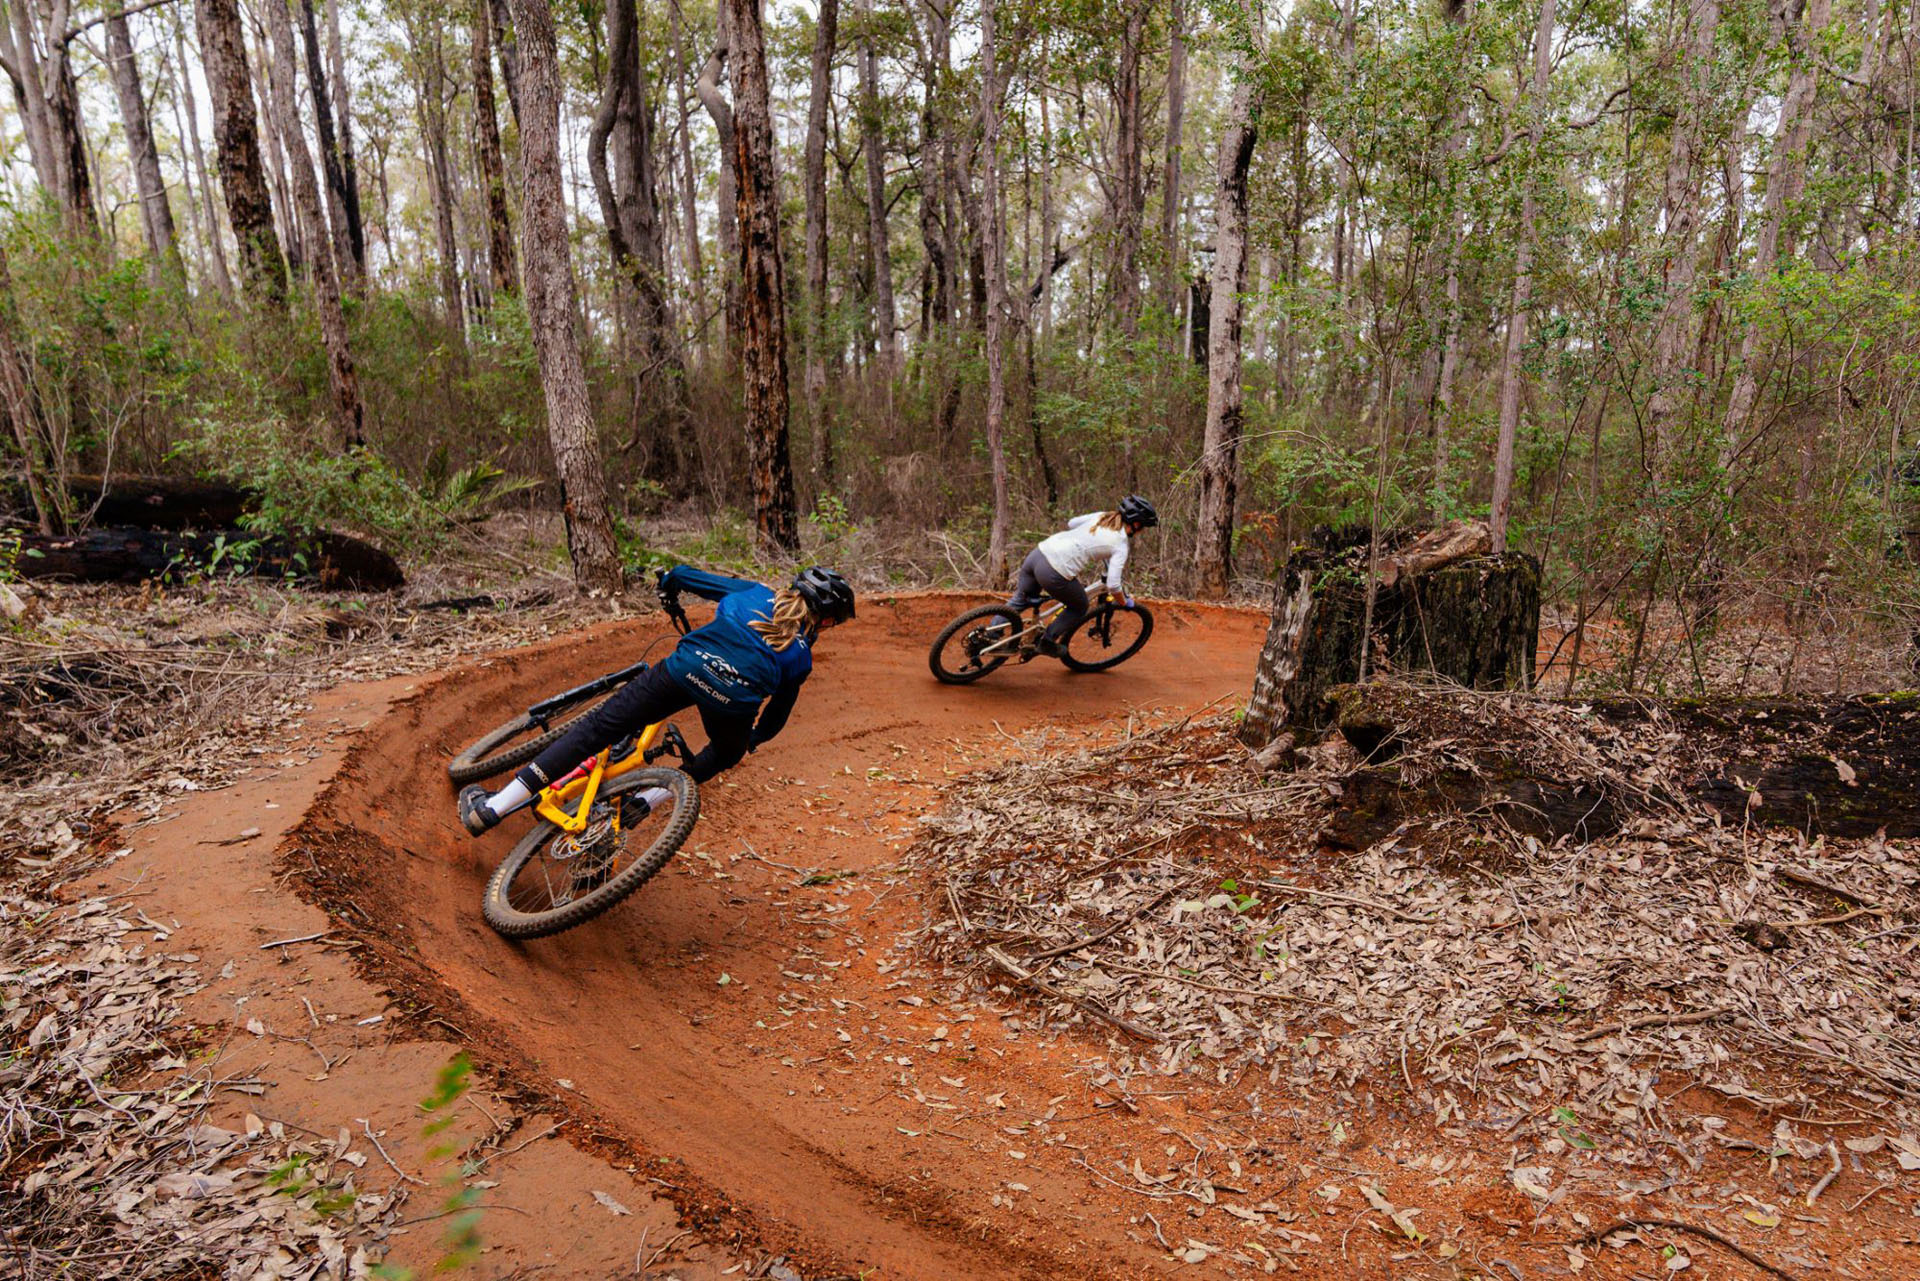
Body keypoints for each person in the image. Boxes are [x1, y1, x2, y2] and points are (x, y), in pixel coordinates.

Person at [459, 565, 856, 835]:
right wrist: (751, 740)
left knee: (597, 728)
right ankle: (646, 802)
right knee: (723, 754)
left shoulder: (754, 593)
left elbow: (685, 576)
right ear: (824, 620)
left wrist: (668, 586)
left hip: (681, 671)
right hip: (732, 705)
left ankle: (492, 808)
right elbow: (777, 716)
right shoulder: (801, 657)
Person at [1005, 495, 1157, 654]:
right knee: (1080, 606)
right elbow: (1113, 585)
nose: (1142, 531)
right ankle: (1047, 642)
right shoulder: (1120, 545)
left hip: (1038, 553)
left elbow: (1072, 523)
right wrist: (1124, 602)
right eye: (1143, 527)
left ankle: (990, 635)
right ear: (1136, 524)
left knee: (1020, 601)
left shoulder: (1102, 516)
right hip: (1053, 571)